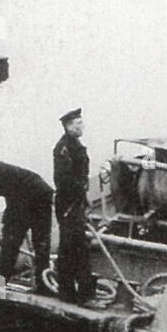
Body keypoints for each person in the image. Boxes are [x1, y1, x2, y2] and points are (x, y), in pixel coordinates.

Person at [0, 152, 54, 292]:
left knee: (8, 250)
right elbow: (13, 197)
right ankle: (44, 287)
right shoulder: (3, 170)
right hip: (40, 201)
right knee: (41, 247)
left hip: (33, 204)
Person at [52, 108, 94, 304]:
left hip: (70, 205)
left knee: (76, 248)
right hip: (69, 206)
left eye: (81, 123)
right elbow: (64, 180)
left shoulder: (73, 145)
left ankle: (78, 294)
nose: (82, 127)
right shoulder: (64, 148)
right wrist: (78, 195)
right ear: (68, 126)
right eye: (78, 124)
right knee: (71, 249)